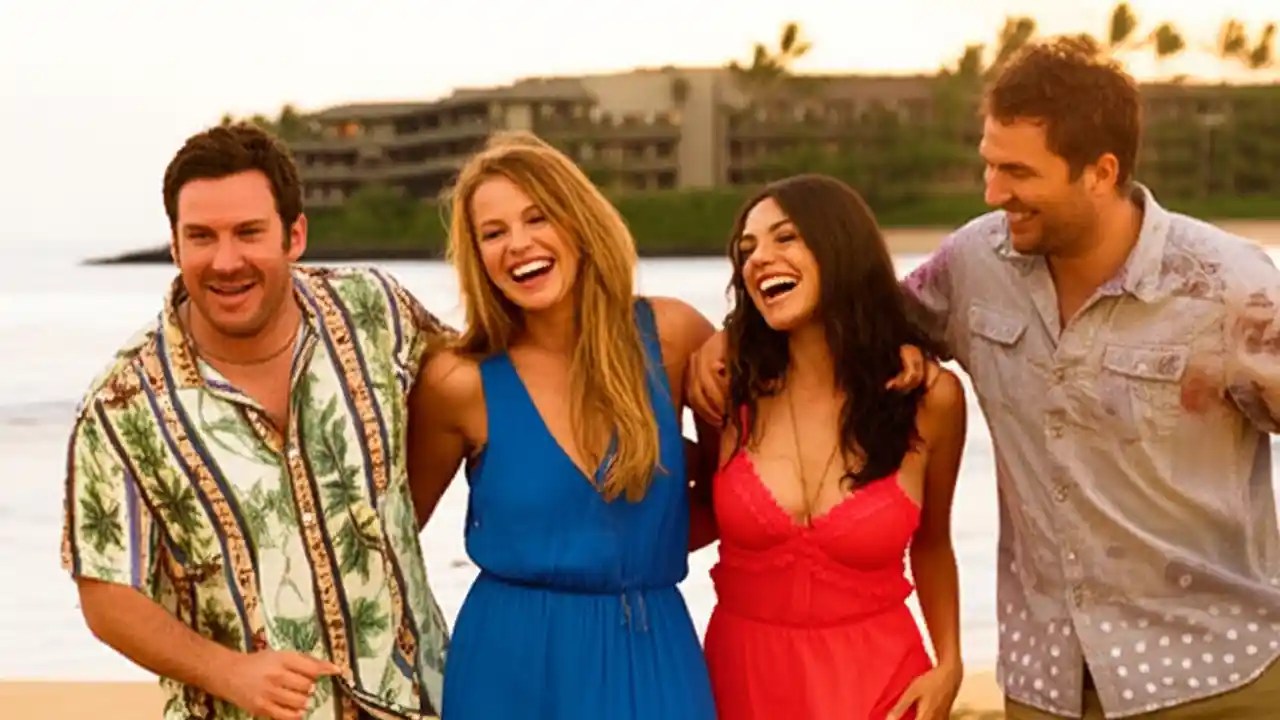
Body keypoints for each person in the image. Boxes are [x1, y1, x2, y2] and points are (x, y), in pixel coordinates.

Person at [688, 36, 1280, 719]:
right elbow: (858, 312)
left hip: (1217, 677)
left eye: (1018, 173)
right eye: (989, 165)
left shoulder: (1228, 287)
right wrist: (729, 336)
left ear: (1100, 171)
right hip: (1048, 687)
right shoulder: (975, 263)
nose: (994, 192)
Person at [61, 123, 451, 720]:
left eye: (248, 233)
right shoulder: (121, 404)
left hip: (417, 703)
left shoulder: (374, 310)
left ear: (295, 235)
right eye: (201, 237)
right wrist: (230, 672)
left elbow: (475, 388)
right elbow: (106, 594)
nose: (225, 261)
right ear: (175, 246)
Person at [403, 132, 719, 719]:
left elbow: (745, 486)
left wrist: (635, 551)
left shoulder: (674, 338)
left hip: (652, 652)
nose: (518, 245)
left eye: (537, 217)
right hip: (507, 664)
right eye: (493, 233)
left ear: (580, 222)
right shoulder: (458, 382)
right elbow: (394, 541)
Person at [702, 174, 966, 720]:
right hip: (741, 685)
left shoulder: (930, 398)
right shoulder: (726, 387)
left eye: (785, 238)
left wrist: (950, 665)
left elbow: (934, 542)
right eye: (746, 249)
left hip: (882, 689)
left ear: (839, 245)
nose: (759, 259)